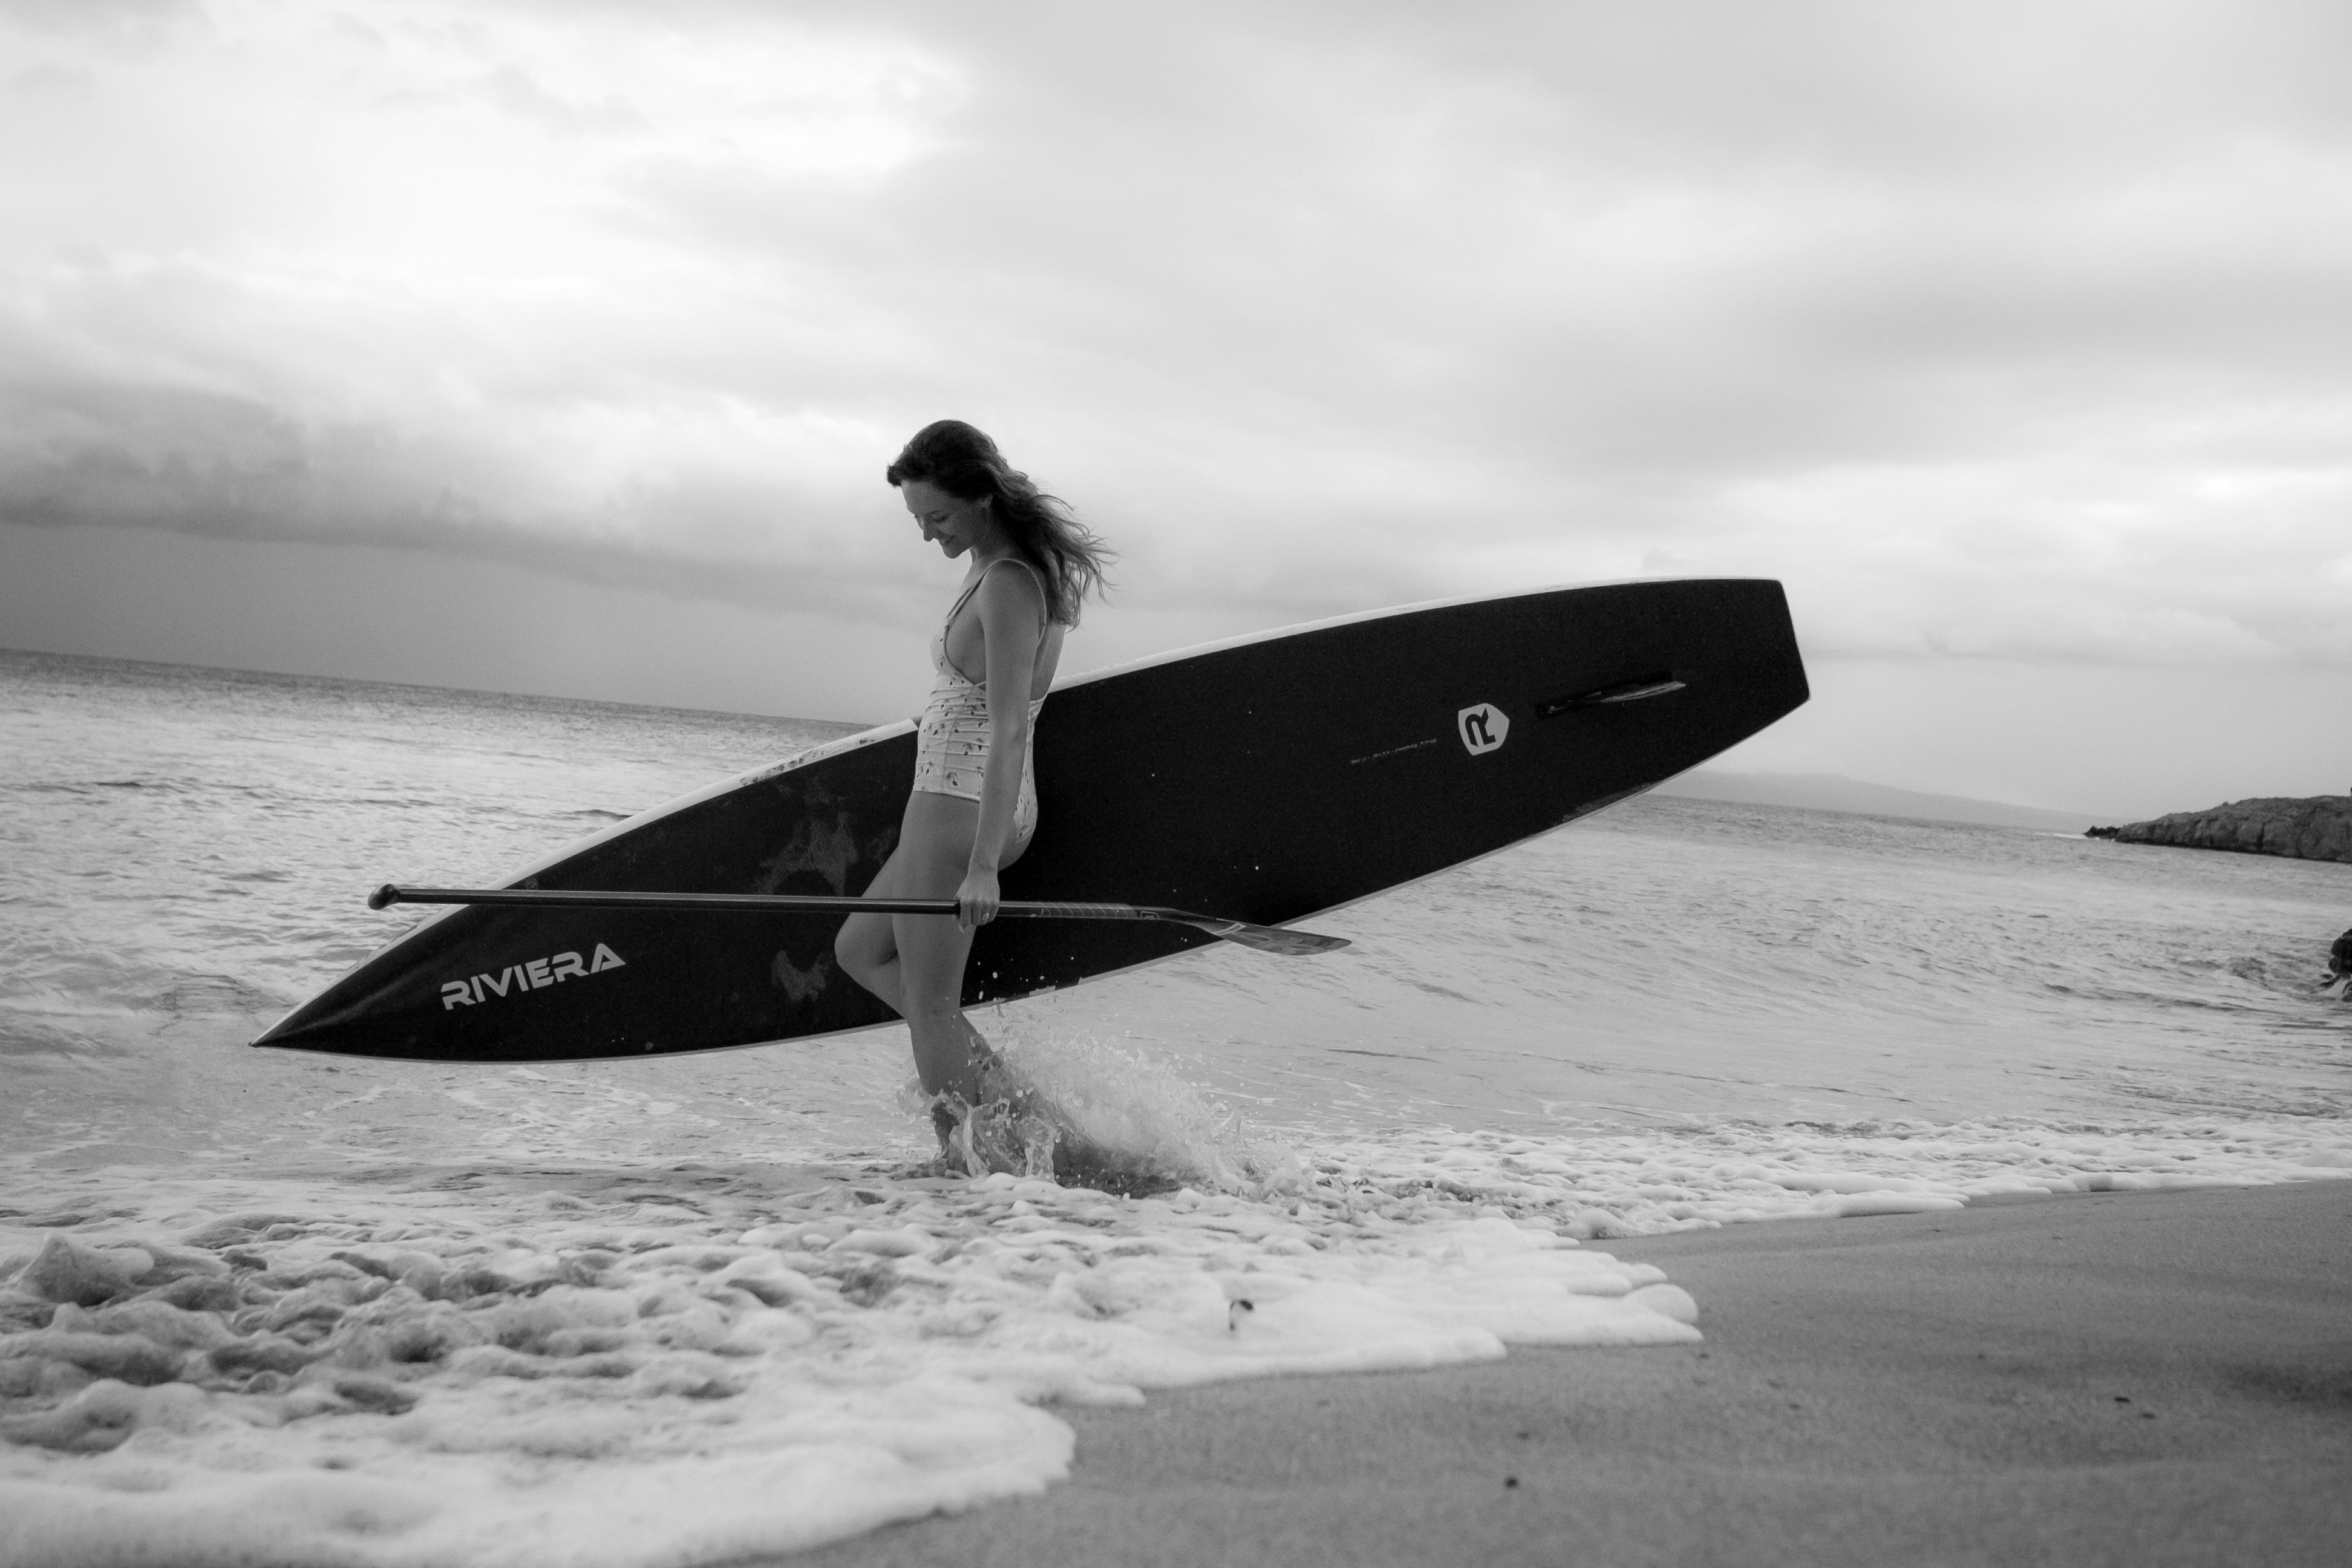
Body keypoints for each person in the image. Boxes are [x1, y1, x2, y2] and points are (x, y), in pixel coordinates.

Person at [835, 421, 1111, 1167]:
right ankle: (1035, 1123)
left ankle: (967, 1165)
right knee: (859, 949)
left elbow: (1011, 728)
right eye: (918, 521)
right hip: (959, 799)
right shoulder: (1002, 568)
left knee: (929, 1006)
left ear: (982, 497)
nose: (927, 535)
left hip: (960, 809)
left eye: (938, 517)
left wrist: (984, 862)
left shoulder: (1009, 583)